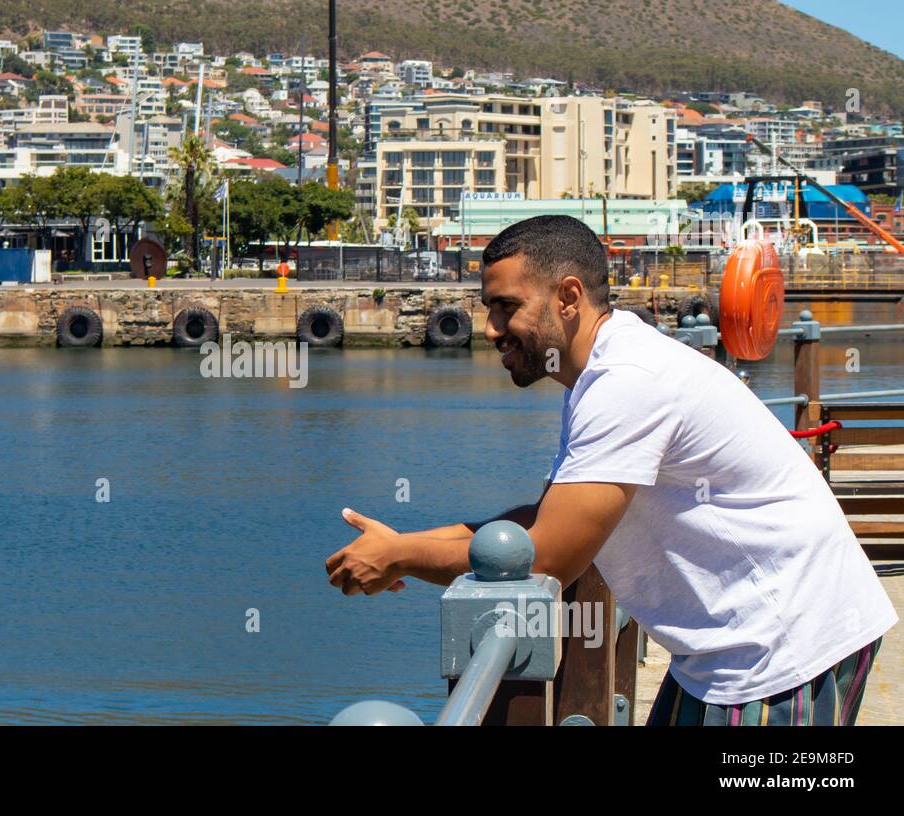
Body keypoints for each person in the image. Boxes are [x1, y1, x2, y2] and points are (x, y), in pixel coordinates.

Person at [325, 215, 897, 725]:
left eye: (507, 307)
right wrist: (405, 541)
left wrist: (400, 558)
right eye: (487, 309)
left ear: (568, 296)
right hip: (728, 651)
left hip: (779, 650)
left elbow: (550, 555)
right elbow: (543, 518)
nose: (492, 329)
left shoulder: (626, 381)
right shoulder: (603, 373)